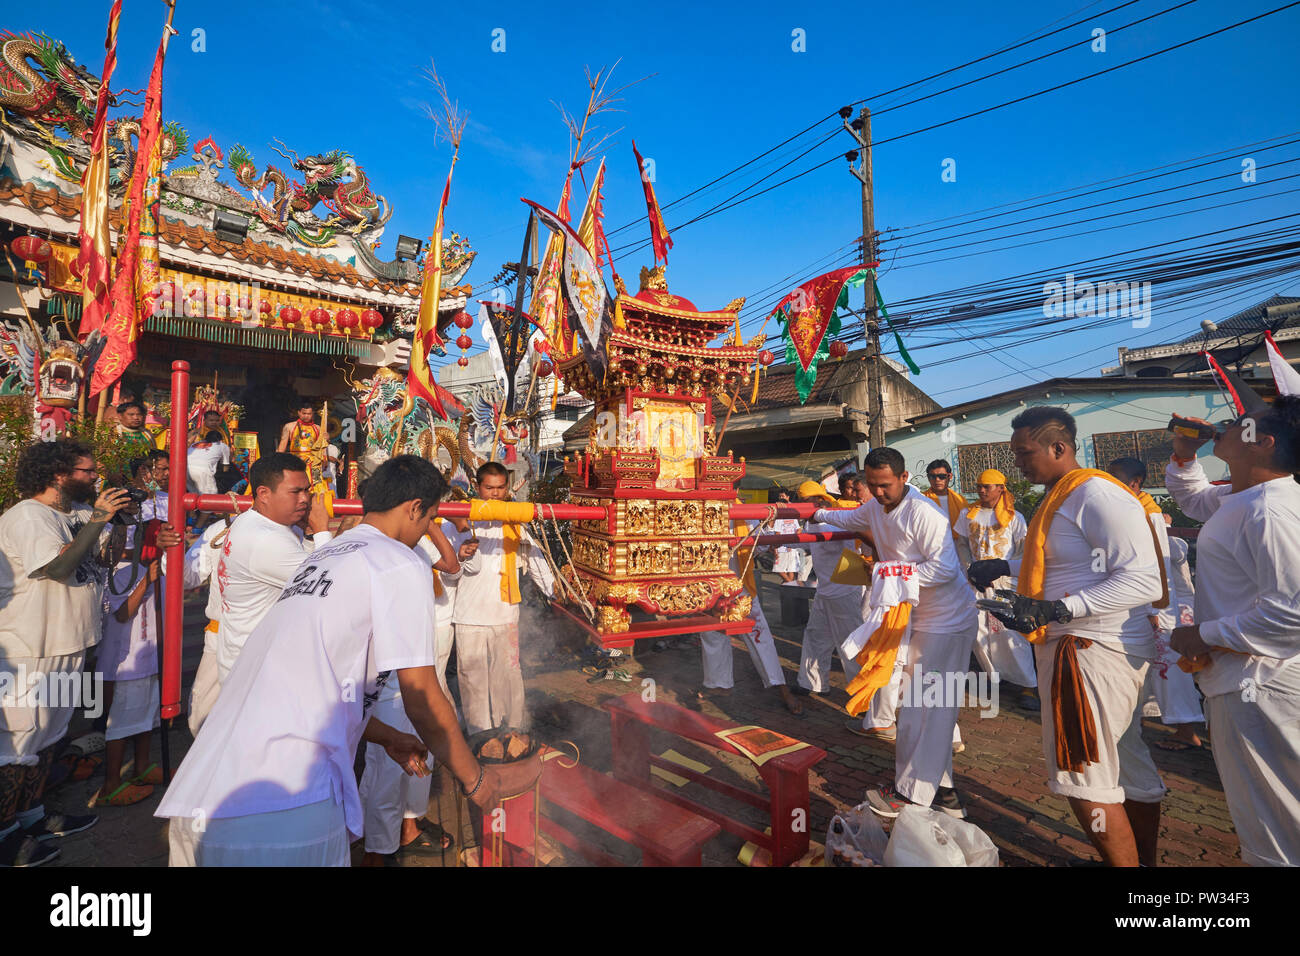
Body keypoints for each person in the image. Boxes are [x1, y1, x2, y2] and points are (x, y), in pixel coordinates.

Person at [157, 455, 541, 866]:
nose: (424, 531)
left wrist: (388, 737)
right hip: (282, 806)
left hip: (203, 799)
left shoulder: (326, 554)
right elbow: (422, 694)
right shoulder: (399, 561)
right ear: (414, 509)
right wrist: (475, 779)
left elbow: (311, 685)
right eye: (429, 517)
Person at [970, 406, 1166, 866]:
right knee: (1127, 769)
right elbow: (1069, 565)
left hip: (1089, 651)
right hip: (1091, 647)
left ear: (1059, 448)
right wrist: (1007, 568)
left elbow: (1144, 581)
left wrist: (1060, 609)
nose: (1018, 462)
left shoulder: (1095, 494)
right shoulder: (1065, 494)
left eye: (1025, 452)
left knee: (1083, 777)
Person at [1164, 397, 1300, 866]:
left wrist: (1202, 634)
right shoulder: (1240, 498)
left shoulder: (1271, 513)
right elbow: (1193, 497)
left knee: (1277, 823)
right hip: (1243, 679)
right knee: (1262, 816)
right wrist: (1185, 454)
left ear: (1263, 444)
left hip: (1263, 684)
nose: (1228, 423)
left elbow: (1293, 615)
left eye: (1243, 423)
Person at [813, 448, 977, 819]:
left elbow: (946, 570)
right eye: (871, 485)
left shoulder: (925, 514)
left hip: (949, 620)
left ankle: (912, 794)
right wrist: (812, 512)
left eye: (884, 485)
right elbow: (848, 516)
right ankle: (945, 795)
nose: (877, 492)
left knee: (931, 707)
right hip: (914, 618)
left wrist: (890, 575)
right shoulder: (873, 506)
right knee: (914, 706)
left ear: (904, 479)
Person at [0, 440, 131, 866]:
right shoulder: (27, 516)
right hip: (30, 650)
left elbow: (103, 560)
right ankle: (4, 834)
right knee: (16, 747)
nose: (94, 478)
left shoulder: (73, 515)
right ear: (59, 474)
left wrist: (124, 523)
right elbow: (58, 567)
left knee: (49, 738)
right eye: (87, 472)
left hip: (70, 642)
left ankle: (33, 817)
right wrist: (98, 518)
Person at [358, 513, 472, 865]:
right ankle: (381, 848)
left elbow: (451, 565)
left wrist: (430, 526)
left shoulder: (415, 549)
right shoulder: (372, 551)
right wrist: (475, 778)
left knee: (413, 756)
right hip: (386, 676)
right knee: (390, 767)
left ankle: (402, 828)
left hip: (409, 666)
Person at [209, 453, 333, 688]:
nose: (305, 499)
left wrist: (307, 534)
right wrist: (321, 530)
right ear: (264, 493)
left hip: (251, 662)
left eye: (306, 490)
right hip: (258, 674)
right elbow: (330, 585)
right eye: (295, 492)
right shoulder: (265, 540)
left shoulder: (253, 522)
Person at [1106, 457, 1205, 750]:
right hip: (1136, 605)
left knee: (1169, 668)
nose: (1107, 485)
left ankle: (1188, 731)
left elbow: (1157, 569)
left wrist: (1154, 609)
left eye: (1114, 478)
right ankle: (1132, 723)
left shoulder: (1150, 518)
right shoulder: (1130, 513)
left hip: (1156, 606)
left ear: (1134, 484)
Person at [452, 461, 555, 735]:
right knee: (472, 678)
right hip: (469, 615)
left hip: (505, 613)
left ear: (507, 488)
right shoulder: (464, 518)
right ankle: (480, 734)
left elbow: (536, 561)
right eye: (489, 488)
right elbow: (449, 566)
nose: (495, 495)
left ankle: (511, 728)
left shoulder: (515, 522)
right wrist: (461, 553)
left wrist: (556, 592)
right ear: (477, 487)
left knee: (508, 675)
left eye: (500, 488)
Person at [697, 504, 803, 715]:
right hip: (710, 586)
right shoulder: (700, 507)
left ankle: (781, 688)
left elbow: (760, 547)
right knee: (711, 634)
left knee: (760, 635)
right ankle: (720, 685)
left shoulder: (744, 512)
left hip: (740, 587)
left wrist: (769, 531)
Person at [954, 468, 1038, 711]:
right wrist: (971, 569)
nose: (981, 490)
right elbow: (960, 544)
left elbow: (1024, 551)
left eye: (987, 486)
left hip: (1004, 585)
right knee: (979, 632)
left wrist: (1006, 573)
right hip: (975, 583)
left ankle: (1028, 685)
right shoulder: (967, 514)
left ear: (1001, 488)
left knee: (1010, 634)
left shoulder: (1015, 517)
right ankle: (995, 677)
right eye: (979, 486)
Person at [92, 551, 164, 807]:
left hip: (150, 656)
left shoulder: (149, 566)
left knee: (146, 718)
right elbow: (122, 615)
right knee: (120, 725)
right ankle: (110, 785)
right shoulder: (119, 571)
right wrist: (147, 581)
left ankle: (142, 767)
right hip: (126, 660)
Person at [793, 480, 867, 698]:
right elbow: (808, 544)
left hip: (845, 589)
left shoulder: (834, 518)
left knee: (850, 644)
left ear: (818, 499)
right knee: (816, 636)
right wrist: (775, 540)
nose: (802, 504)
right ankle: (810, 683)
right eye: (801, 501)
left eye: (806, 501)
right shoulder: (812, 522)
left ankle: (864, 695)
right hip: (825, 591)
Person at [278, 400, 327, 492]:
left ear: (312, 414)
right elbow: (282, 447)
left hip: (313, 463)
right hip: (294, 461)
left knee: (317, 488)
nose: (306, 416)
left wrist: (324, 459)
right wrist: (278, 461)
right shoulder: (289, 427)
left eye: (309, 414)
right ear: (299, 413)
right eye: (304, 413)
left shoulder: (318, 428)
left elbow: (322, 447)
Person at [922, 459, 967, 534]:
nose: (937, 480)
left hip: (957, 543)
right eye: (932, 476)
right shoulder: (922, 500)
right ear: (928, 477)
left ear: (950, 476)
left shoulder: (960, 500)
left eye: (941, 476)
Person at [771, 490, 804, 585]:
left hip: (786, 547)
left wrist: (788, 543)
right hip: (787, 547)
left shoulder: (782, 518)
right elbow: (798, 530)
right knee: (788, 569)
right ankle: (792, 585)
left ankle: (791, 585)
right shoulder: (787, 517)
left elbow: (778, 533)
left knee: (784, 569)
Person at [187, 430, 231, 497]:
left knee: (193, 497)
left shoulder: (195, 444)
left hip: (186, 470)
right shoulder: (222, 446)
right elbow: (225, 467)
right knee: (209, 499)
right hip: (203, 471)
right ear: (220, 440)